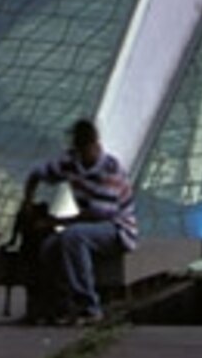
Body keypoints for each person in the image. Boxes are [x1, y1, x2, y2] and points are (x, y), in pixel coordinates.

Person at [23, 118, 136, 323]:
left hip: (117, 229)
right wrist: (28, 203)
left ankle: (89, 306)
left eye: (87, 151)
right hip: (89, 226)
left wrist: (54, 222)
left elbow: (98, 214)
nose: (84, 157)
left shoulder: (110, 169)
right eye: (80, 152)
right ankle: (60, 305)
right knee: (50, 247)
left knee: (74, 237)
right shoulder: (71, 163)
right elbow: (36, 173)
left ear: (96, 145)